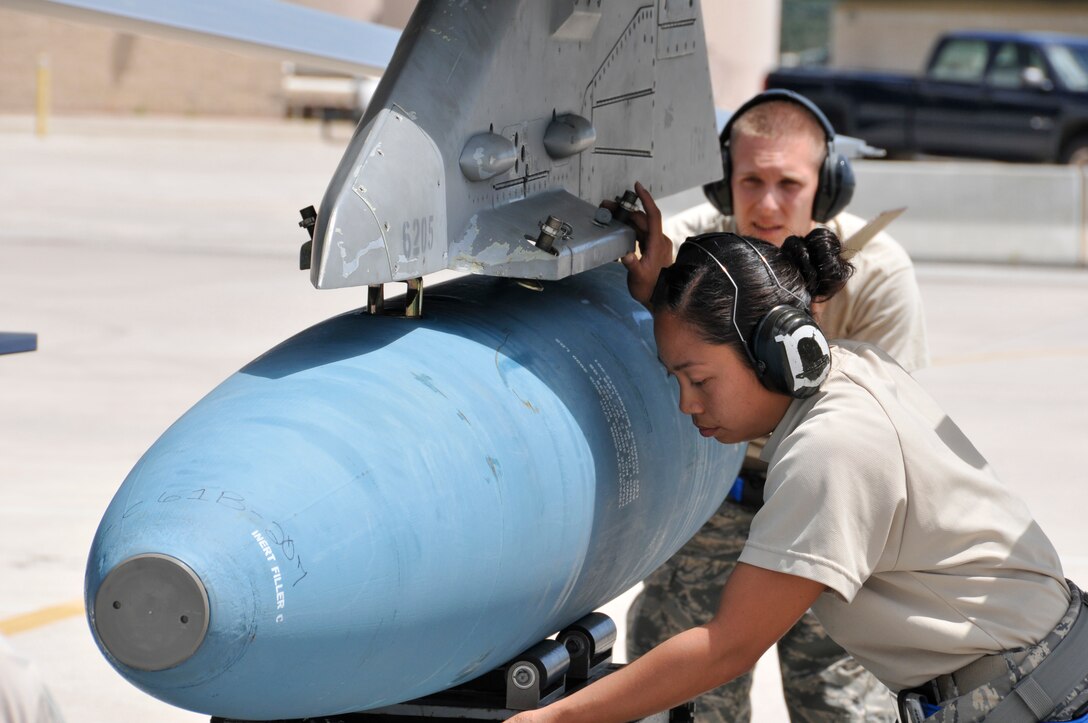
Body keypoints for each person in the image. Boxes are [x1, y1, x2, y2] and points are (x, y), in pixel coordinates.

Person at [507, 184, 1088, 723]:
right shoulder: (851, 369)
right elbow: (719, 329)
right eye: (675, 379)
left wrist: (552, 718)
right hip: (1038, 680)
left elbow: (727, 647)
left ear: (774, 356)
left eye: (699, 379)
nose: (686, 403)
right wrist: (665, 292)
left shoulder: (831, 450)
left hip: (1038, 702)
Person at [627, 89, 927, 722]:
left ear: (826, 189)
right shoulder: (694, 254)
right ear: (722, 183)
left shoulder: (875, 270)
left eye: (788, 184)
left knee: (844, 706)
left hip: (831, 510)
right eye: (750, 181)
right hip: (719, 501)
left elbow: (887, 427)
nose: (766, 206)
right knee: (681, 700)